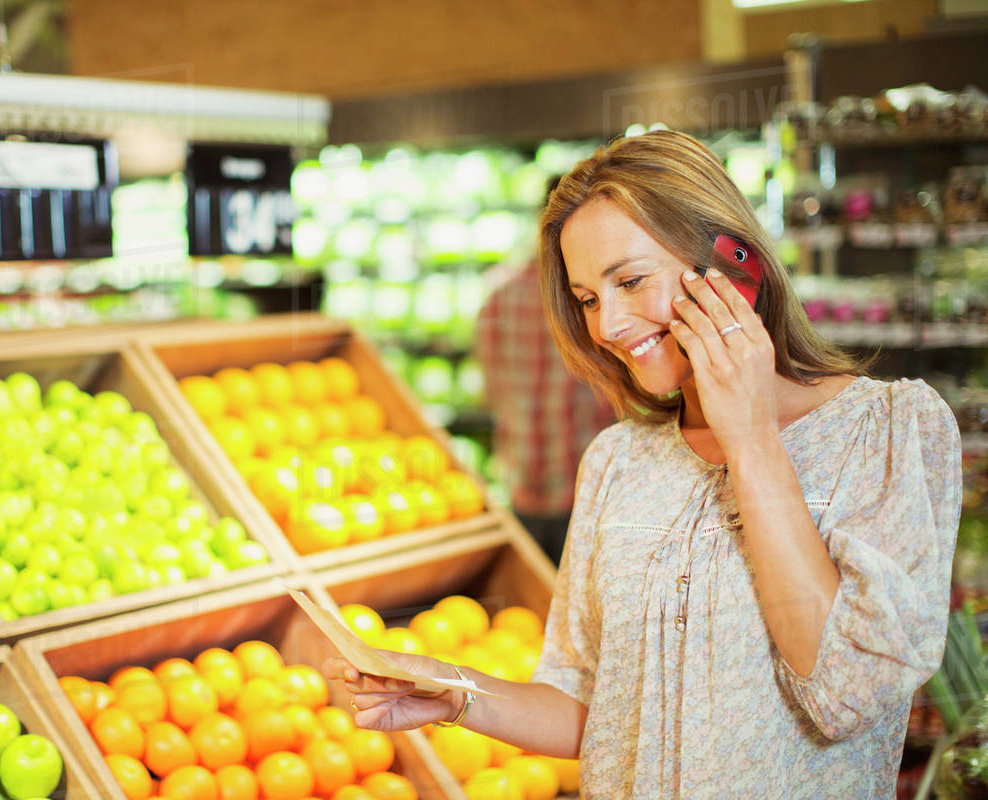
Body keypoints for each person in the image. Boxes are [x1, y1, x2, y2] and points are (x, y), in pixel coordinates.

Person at [324, 130, 962, 798]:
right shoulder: (616, 461)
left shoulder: (892, 433)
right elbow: (598, 714)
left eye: (630, 281)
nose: (608, 327)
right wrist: (456, 692)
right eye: (589, 299)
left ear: (734, 265)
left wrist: (748, 435)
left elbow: (848, 693)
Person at [476, 180, 615, 565]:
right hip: (588, 487)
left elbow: (491, 392)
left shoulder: (498, 300)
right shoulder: (598, 299)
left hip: (522, 481)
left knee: (534, 609)